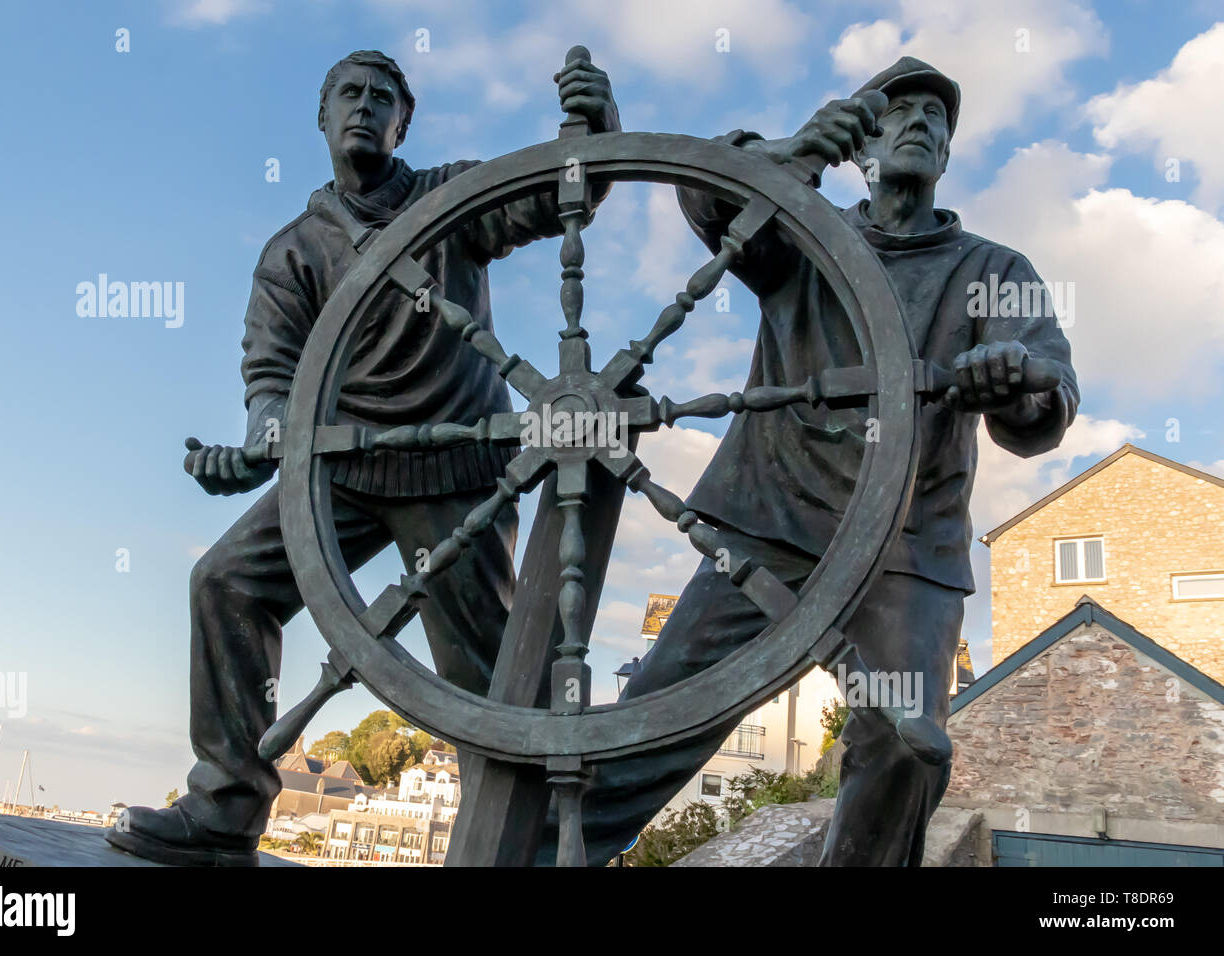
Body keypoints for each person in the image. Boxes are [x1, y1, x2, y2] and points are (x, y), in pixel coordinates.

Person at [540, 56, 1079, 866]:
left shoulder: (994, 273)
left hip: (907, 544)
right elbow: (710, 193)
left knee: (910, 748)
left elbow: (1050, 399)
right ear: (861, 148)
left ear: (947, 158)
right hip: (767, 518)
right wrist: (797, 149)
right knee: (645, 731)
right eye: (898, 113)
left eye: (937, 120)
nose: (921, 126)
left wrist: (1015, 383)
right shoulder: (799, 230)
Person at [106, 49, 621, 866]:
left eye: (385, 96)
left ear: (403, 123)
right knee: (225, 582)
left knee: (486, 678)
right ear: (322, 116)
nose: (366, 104)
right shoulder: (293, 251)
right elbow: (273, 377)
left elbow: (567, 192)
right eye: (350, 92)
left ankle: (507, 850)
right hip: (342, 471)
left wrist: (596, 127)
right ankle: (224, 810)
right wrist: (260, 442)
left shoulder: (451, 199)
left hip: (455, 474)